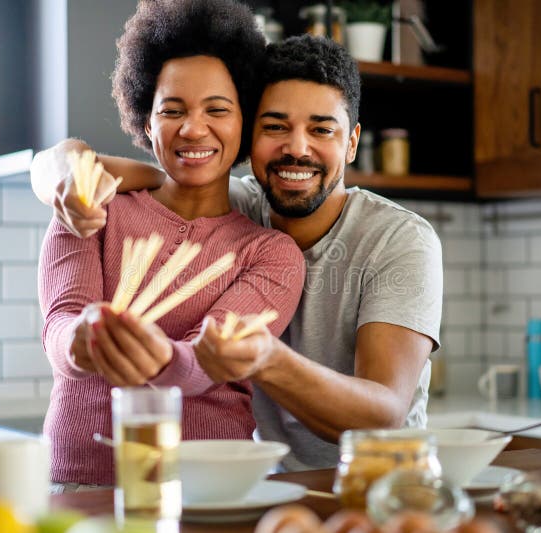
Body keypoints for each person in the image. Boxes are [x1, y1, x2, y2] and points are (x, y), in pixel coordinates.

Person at [33, 35, 442, 472]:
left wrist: (266, 359)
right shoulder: (233, 201)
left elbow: (384, 413)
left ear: (353, 142)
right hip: (267, 483)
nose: (297, 148)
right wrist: (61, 170)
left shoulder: (398, 239)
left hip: (377, 479)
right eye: (275, 126)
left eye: (321, 129)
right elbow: (107, 171)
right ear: (251, 135)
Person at [38, 0, 305, 490]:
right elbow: (60, 325)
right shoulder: (94, 205)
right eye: (172, 111)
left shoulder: (271, 254)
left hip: (210, 485)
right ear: (145, 121)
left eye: (217, 110)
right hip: (83, 482)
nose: (193, 129)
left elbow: (210, 358)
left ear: (244, 122)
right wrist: (82, 340)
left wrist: (161, 359)